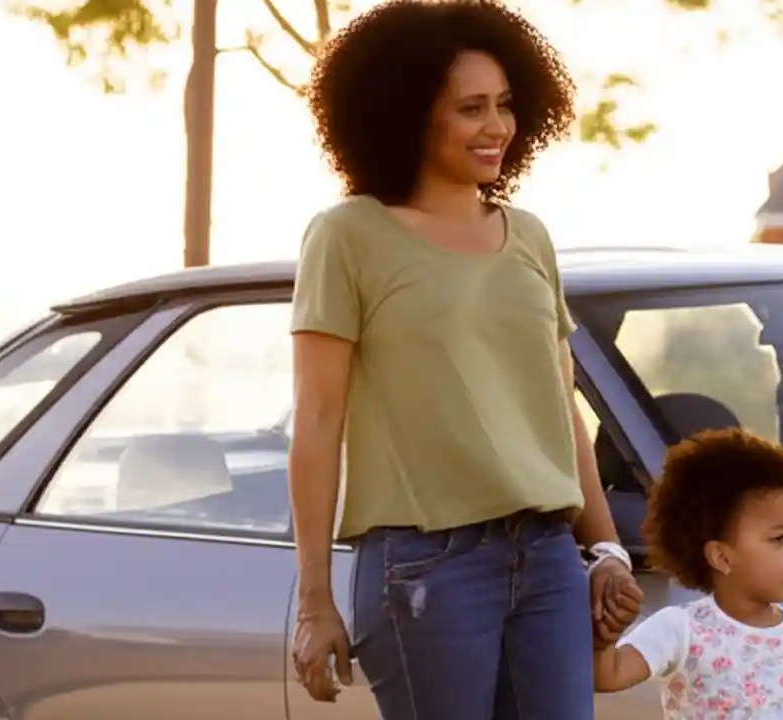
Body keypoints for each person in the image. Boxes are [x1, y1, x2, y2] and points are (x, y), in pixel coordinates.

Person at [286, 1, 643, 718]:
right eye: (471, 108)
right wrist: (315, 599)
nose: (498, 127)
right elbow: (319, 424)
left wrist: (606, 551)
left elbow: (561, 407)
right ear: (410, 114)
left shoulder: (530, 237)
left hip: (546, 557)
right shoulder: (347, 237)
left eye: (507, 105)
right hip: (425, 569)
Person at [594, 429, 783, 719]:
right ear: (721, 556)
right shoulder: (681, 629)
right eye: (780, 538)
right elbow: (609, 676)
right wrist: (604, 636)